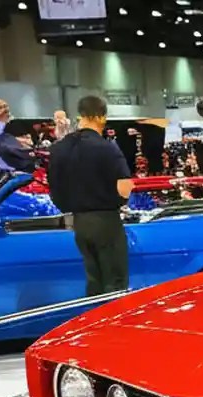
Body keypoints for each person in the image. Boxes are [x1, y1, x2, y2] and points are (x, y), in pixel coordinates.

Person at [48, 96, 134, 296]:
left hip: (79, 224)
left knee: (93, 280)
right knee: (114, 282)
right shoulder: (107, 148)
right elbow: (124, 187)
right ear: (100, 117)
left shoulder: (59, 149)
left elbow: (54, 188)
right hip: (106, 222)